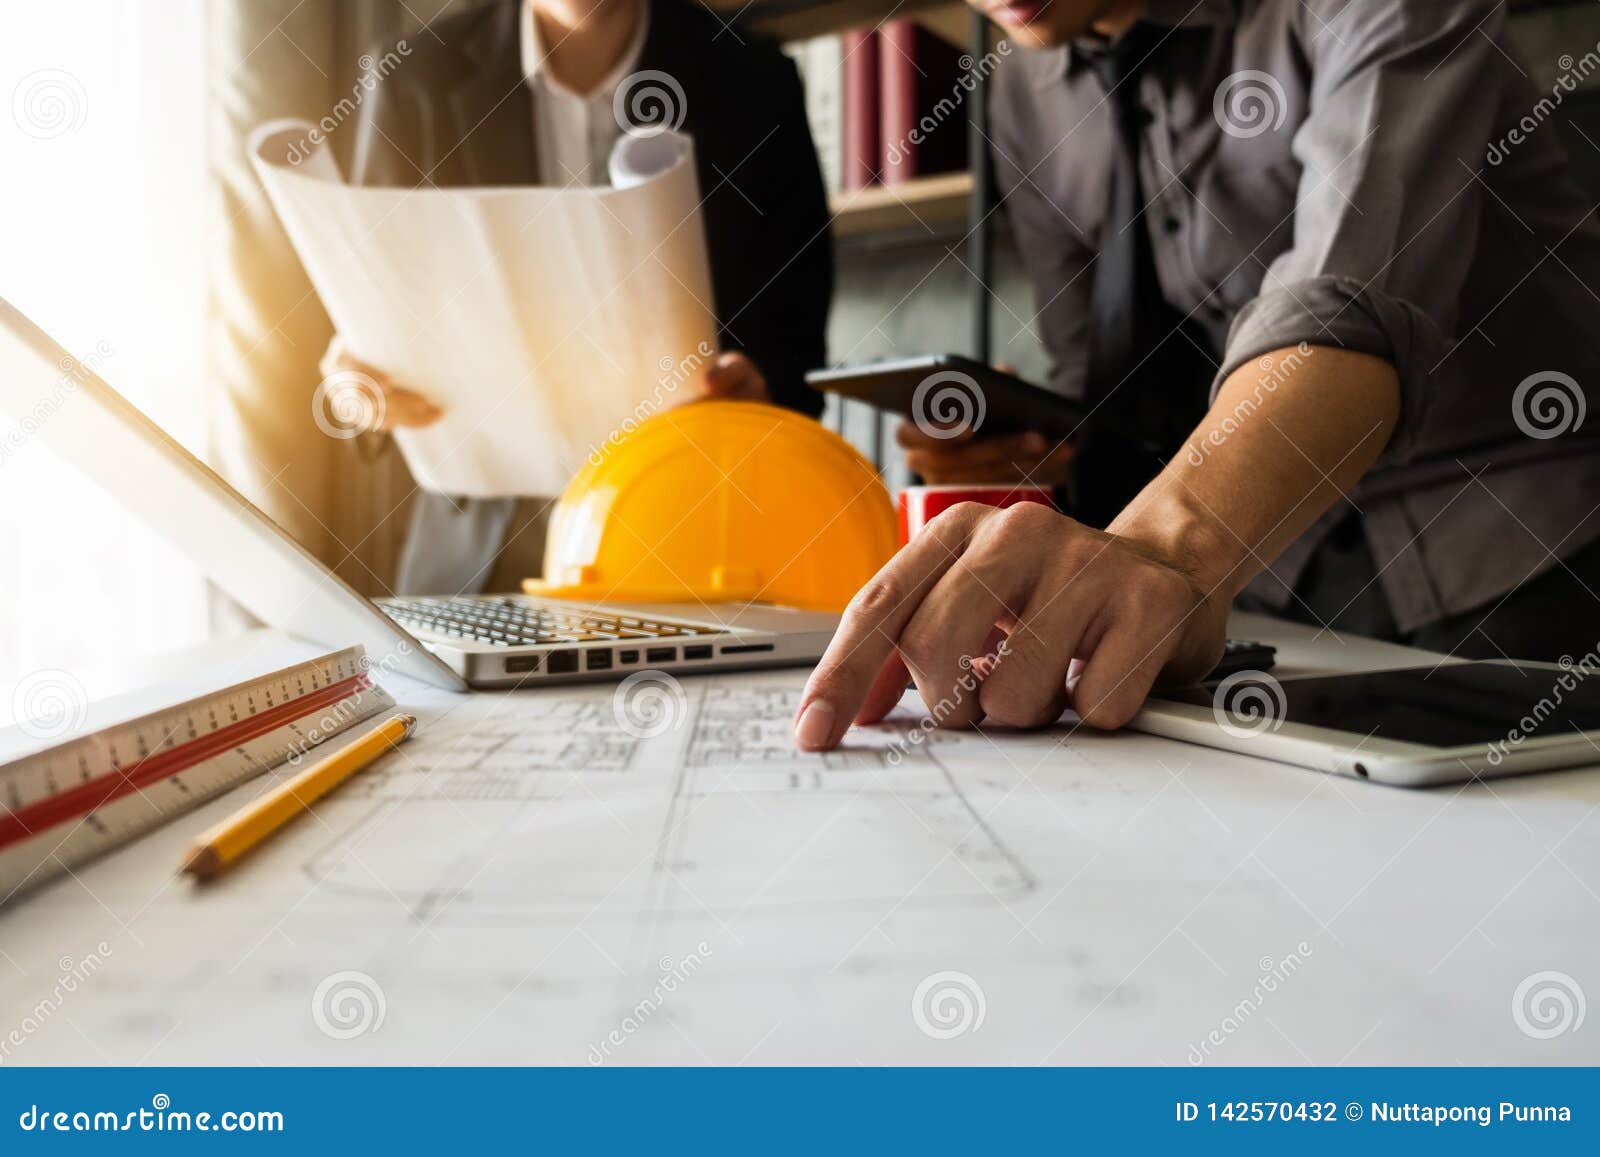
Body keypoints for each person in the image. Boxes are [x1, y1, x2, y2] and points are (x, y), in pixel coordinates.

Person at [795, 0, 1600, 751]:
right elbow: (1095, 384)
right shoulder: (1024, 91)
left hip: (1517, 559)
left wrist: (1166, 551)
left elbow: (1348, 309)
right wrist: (1032, 452)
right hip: (1269, 595)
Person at [325, 0, 831, 594]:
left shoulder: (754, 80)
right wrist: (360, 386)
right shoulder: (411, 78)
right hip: (478, 553)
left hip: (694, 538)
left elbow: (794, 354)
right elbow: (380, 312)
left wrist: (757, 398)